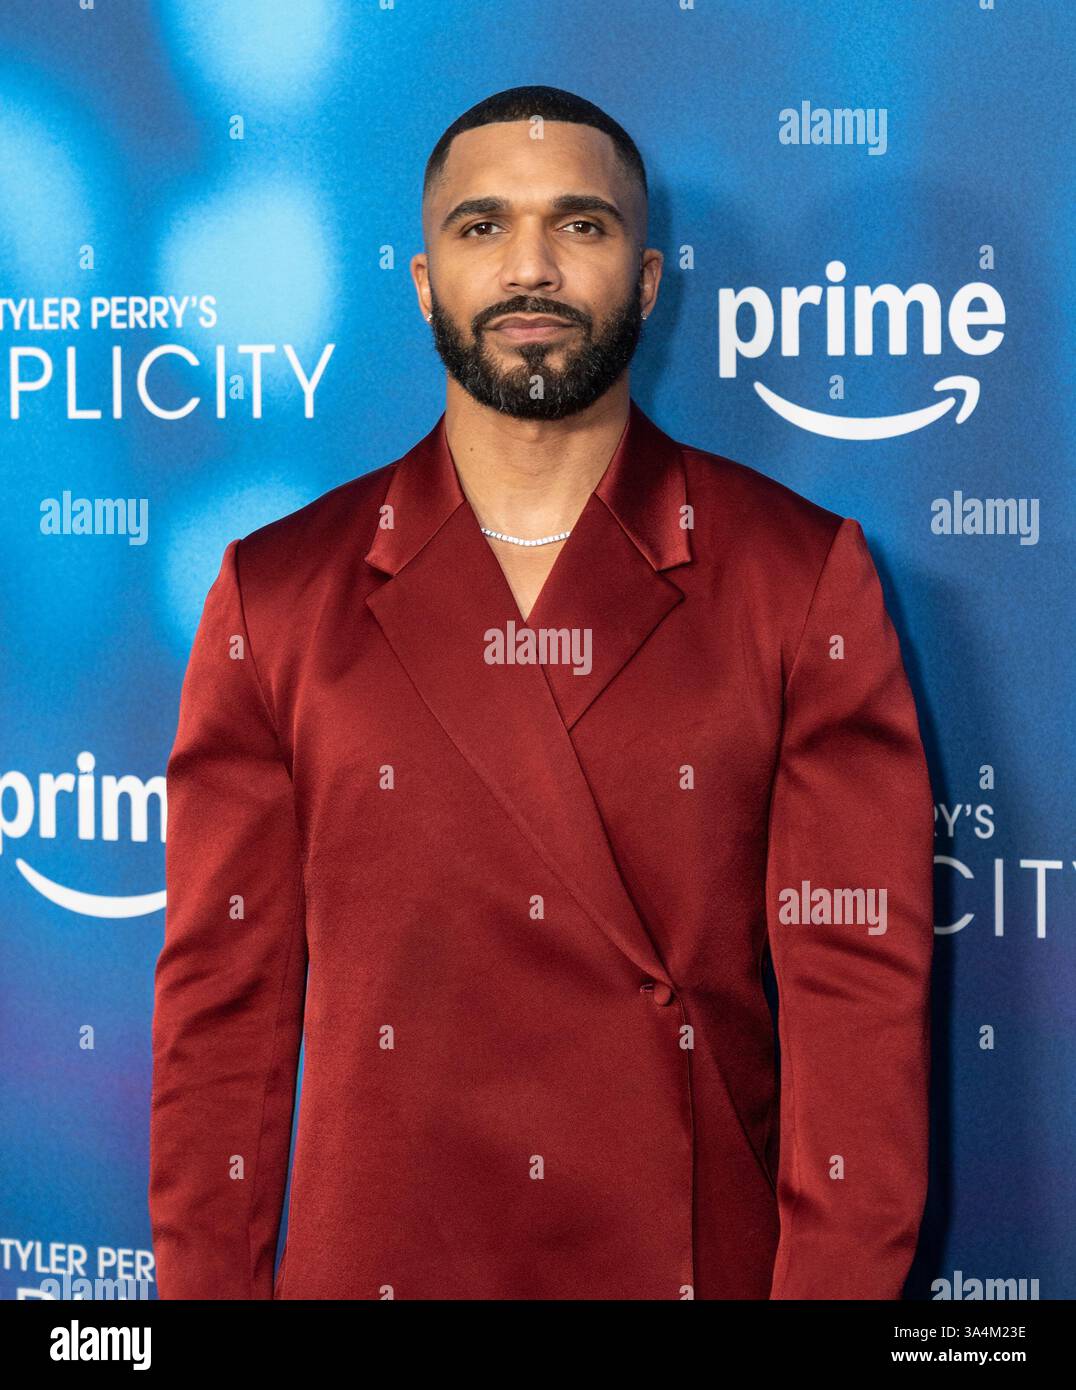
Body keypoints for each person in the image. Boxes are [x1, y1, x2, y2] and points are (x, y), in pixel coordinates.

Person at [149, 85, 934, 1300]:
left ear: (650, 277)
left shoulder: (795, 576)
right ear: (420, 280)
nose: (529, 267)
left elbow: (857, 1017)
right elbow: (221, 1022)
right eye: (480, 227)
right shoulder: (277, 593)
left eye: (578, 225)